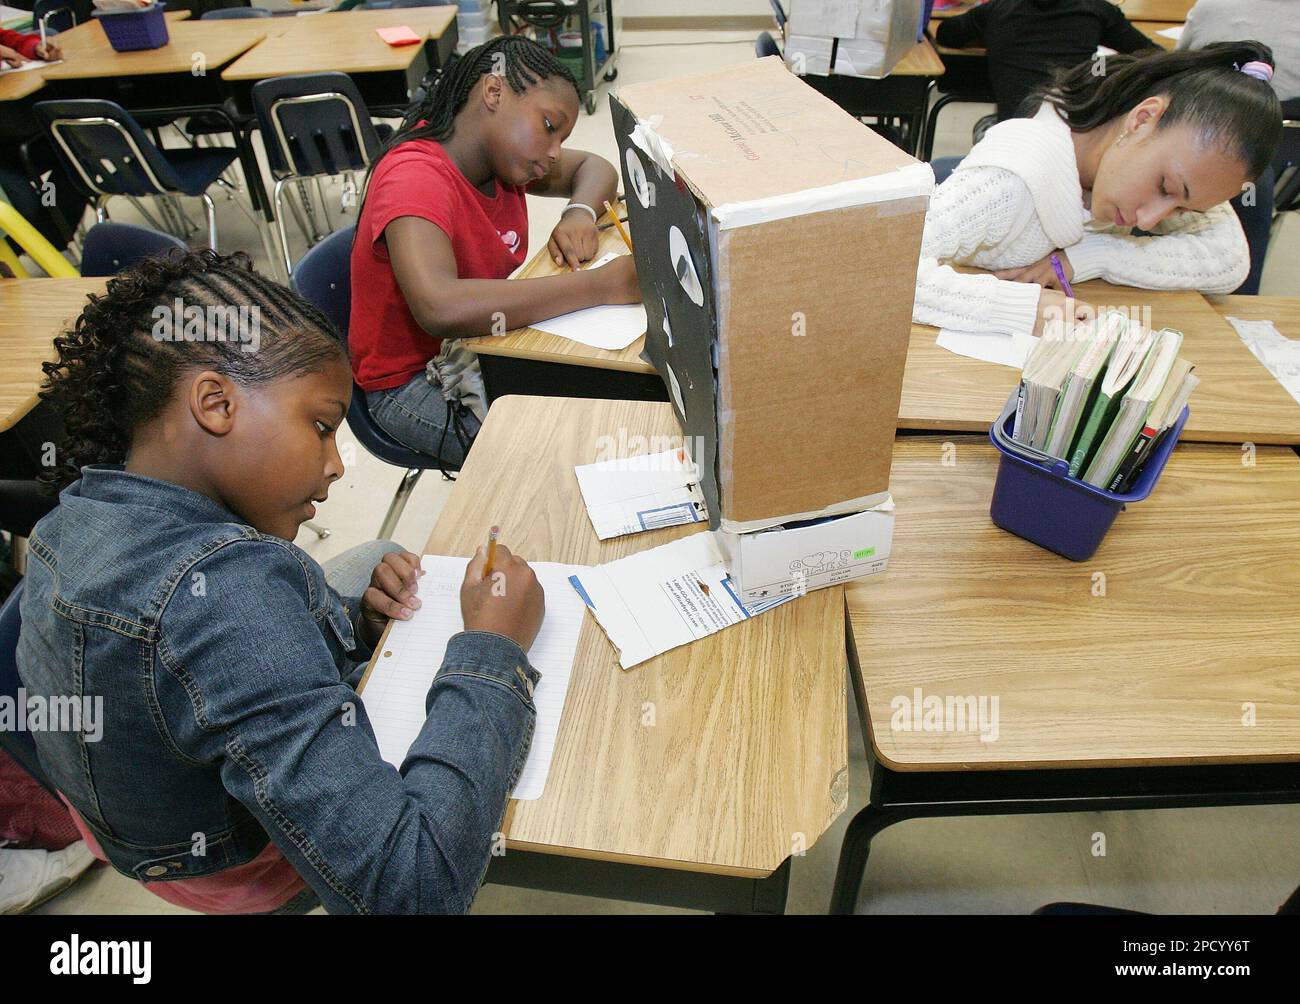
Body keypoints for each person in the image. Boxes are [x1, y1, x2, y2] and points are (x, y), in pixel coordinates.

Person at [18, 250, 547, 914]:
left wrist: (356, 621)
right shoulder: (227, 601)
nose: (336, 466)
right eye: (323, 427)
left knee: (382, 555)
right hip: (241, 866)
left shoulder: (66, 523)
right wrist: (494, 651)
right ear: (214, 403)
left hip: (139, 836)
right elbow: (413, 889)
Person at [350, 36, 638, 463]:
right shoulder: (416, 177)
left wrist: (578, 212)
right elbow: (439, 307)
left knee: (611, 399)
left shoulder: (501, 160)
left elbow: (595, 167)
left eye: (562, 137)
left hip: (482, 346)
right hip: (412, 384)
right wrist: (599, 286)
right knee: (565, 455)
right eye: (548, 126)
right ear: (493, 92)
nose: (555, 151)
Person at [913, 42, 1282, 341]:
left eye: (1182, 211)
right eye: (1165, 187)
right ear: (1141, 119)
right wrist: (1023, 309)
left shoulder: (1152, 163)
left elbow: (1230, 260)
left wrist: (1091, 256)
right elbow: (881, 269)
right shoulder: (1011, 180)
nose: (1150, 219)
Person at [934, 0, 1156, 122]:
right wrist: (1099, 66)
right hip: (1072, 131)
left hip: (1011, 134)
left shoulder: (996, 11)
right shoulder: (1096, 11)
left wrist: (992, 36)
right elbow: (1151, 54)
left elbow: (945, 34)